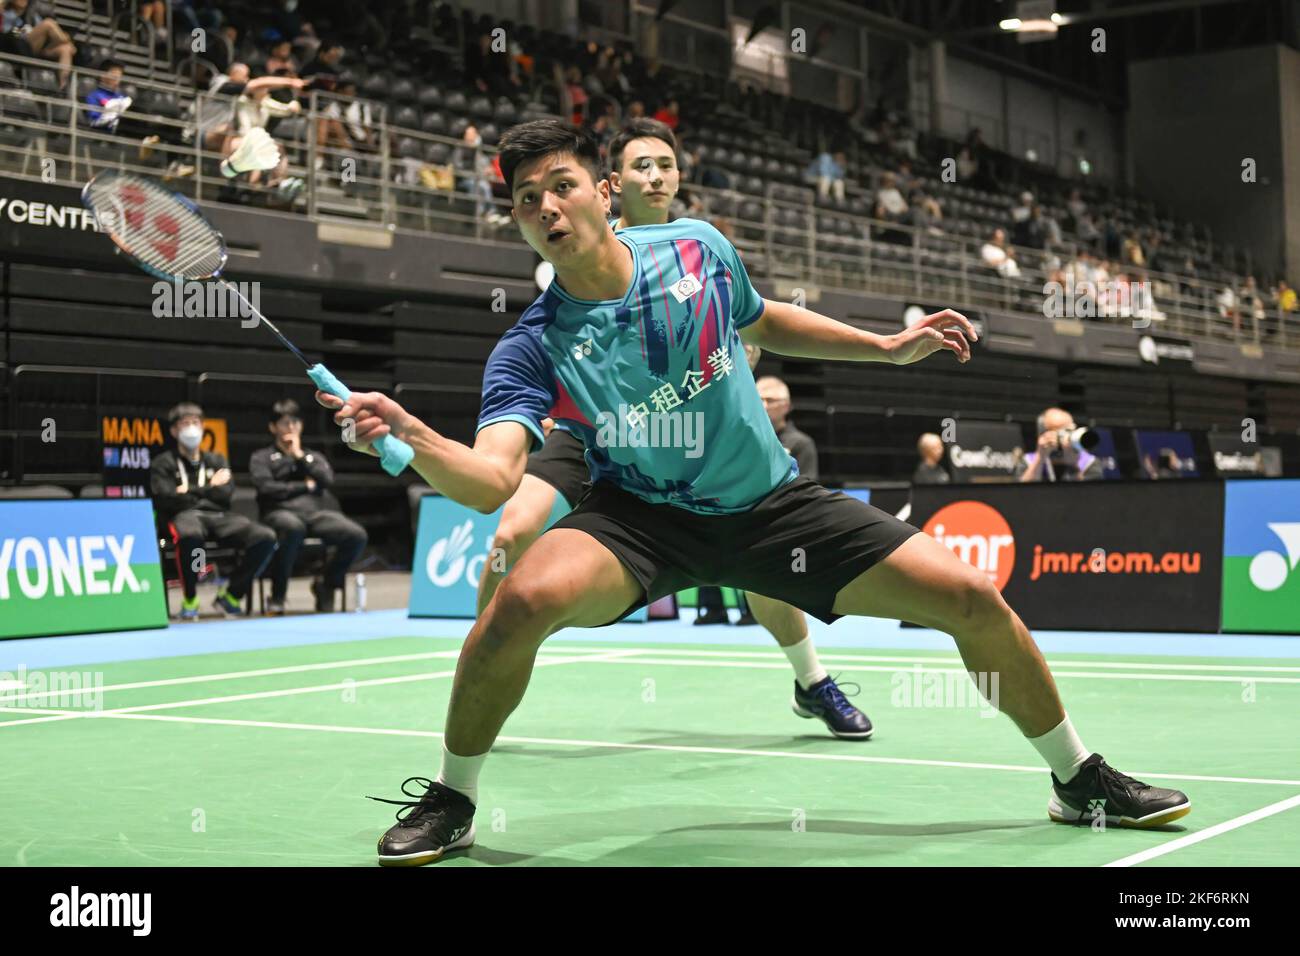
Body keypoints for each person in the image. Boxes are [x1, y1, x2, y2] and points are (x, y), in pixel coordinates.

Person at [320, 120, 1188, 865]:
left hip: (773, 507)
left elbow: (763, 318)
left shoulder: (695, 247)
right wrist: (413, 436)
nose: (546, 208)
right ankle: (453, 798)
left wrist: (885, 348)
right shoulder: (533, 344)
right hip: (640, 521)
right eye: (525, 201)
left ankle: (1079, 780)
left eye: (562, 186)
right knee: (519, 599)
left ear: (604, 191)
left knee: (967, 594)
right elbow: (491, 482)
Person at [475, 118, 870, 739]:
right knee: (512, 531)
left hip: (690, 429)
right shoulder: (574, 248)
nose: (655, 176)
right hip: (593, 431)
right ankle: (485, 661)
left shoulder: (700, 247)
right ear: (610, 185)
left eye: (665, 164)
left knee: (767, 574)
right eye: (641, 166)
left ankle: (811, 681)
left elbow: (756, 324)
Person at [150, 403, 277, 620]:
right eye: (185, 424)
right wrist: (209, 487)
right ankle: (191, 598)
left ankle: (230, 595)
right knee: (190, 536)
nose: (192, 428)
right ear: (174, 430)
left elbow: (226, 494)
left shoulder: (216, 459)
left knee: (265, 537)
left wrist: (188, 491)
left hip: (217, 516)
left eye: (196, 423)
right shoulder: (163, 463)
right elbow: (166, 498)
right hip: (185, 516)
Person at [250, 400, 368, 615]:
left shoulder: (312, 456)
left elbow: (327, 479)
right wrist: (305, 485)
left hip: (313, 515)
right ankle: (277, 596)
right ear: (273, 427)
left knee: (356, 535)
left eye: (295, 422)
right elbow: (266, 488)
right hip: (278, 513)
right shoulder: (262, 458)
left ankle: (326, 583)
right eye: (285, 423)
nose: (291, 427)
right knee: (292, 528)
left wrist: (299, 456)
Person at [1, 0, 76, 87]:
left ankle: (63, 87)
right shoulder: (8, 14)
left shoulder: (32, 14)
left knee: (66, 49)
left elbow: (42, 30)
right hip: (17, 47)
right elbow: (7, 33)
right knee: (48, 23)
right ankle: (67, 40)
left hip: (35, 48)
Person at [1017, 408, 1102, 482]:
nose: (1068, 436)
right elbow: (1023, 494)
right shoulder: (1028, 461)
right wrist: (1040, 458)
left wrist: (1074, 467)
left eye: (1071, 430)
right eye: (1064, 432)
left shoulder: (1089, 463)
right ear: (1043, 435)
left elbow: (1087, 497)